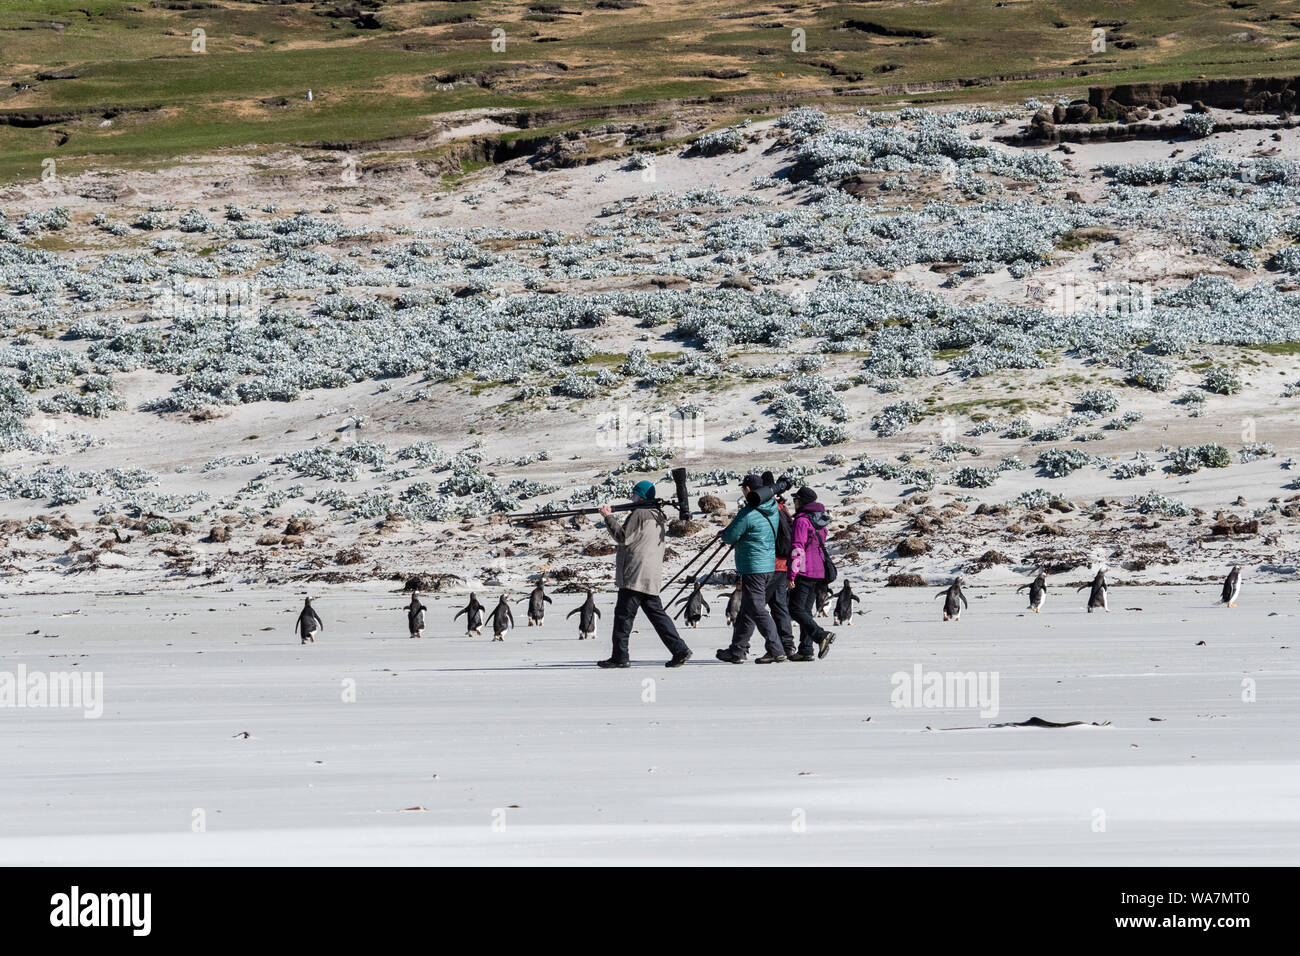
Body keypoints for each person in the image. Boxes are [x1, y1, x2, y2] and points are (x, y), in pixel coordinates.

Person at [596, 480, 692, 668]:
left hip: (635, 575)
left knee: (623, 617)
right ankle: (680, 650)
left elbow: (623, 538)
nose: (632, 497)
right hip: (650, 575)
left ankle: (620, 657)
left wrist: (608, 517)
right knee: (658, 616)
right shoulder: (657, 514)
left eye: (634, 494)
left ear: (640, 496)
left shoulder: (639, 514)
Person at [717, 474, 785, 664]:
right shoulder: (771, 509)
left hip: (753, 566)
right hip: (768, 566)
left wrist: (726, 533)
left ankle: (776, 649)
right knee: (748, 609)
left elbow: (731, 536)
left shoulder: (749, 512)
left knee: (756, 609)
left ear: (747, 490)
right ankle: (737, 650)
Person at [787, 487, 836, 660]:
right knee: (805, 610)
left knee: (795, 609)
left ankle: (821, 635)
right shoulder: (820, 520)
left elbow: (798, 548)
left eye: (795, 500)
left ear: (802, 502)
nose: (794, 503)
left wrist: (791, 575)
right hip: (819, 571)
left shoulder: (802, 521)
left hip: (804, 571)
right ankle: (806, 650)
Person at [761, 470, 797, 657]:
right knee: (780, 606)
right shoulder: (783, 507)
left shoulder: (769, 508)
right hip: (784, 564)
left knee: (755, 607)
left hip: (770, 564)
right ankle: (787, 645)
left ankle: (742, 647)